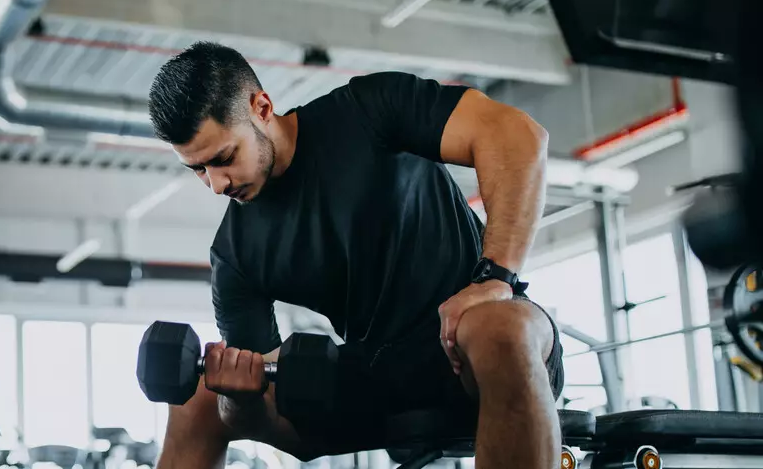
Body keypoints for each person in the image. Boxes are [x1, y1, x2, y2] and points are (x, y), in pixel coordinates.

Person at [146, 41, 564, 469]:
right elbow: (273, 417)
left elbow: (516, 134)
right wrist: (241, 399)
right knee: (199, 401)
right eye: (198, 169)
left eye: (224, 158)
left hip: (476, 350)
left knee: (501, 326)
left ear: (262, 108)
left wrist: (494, 279)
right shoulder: (235, 253)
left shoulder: (367, 110)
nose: (216, 185)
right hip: (379, 376)